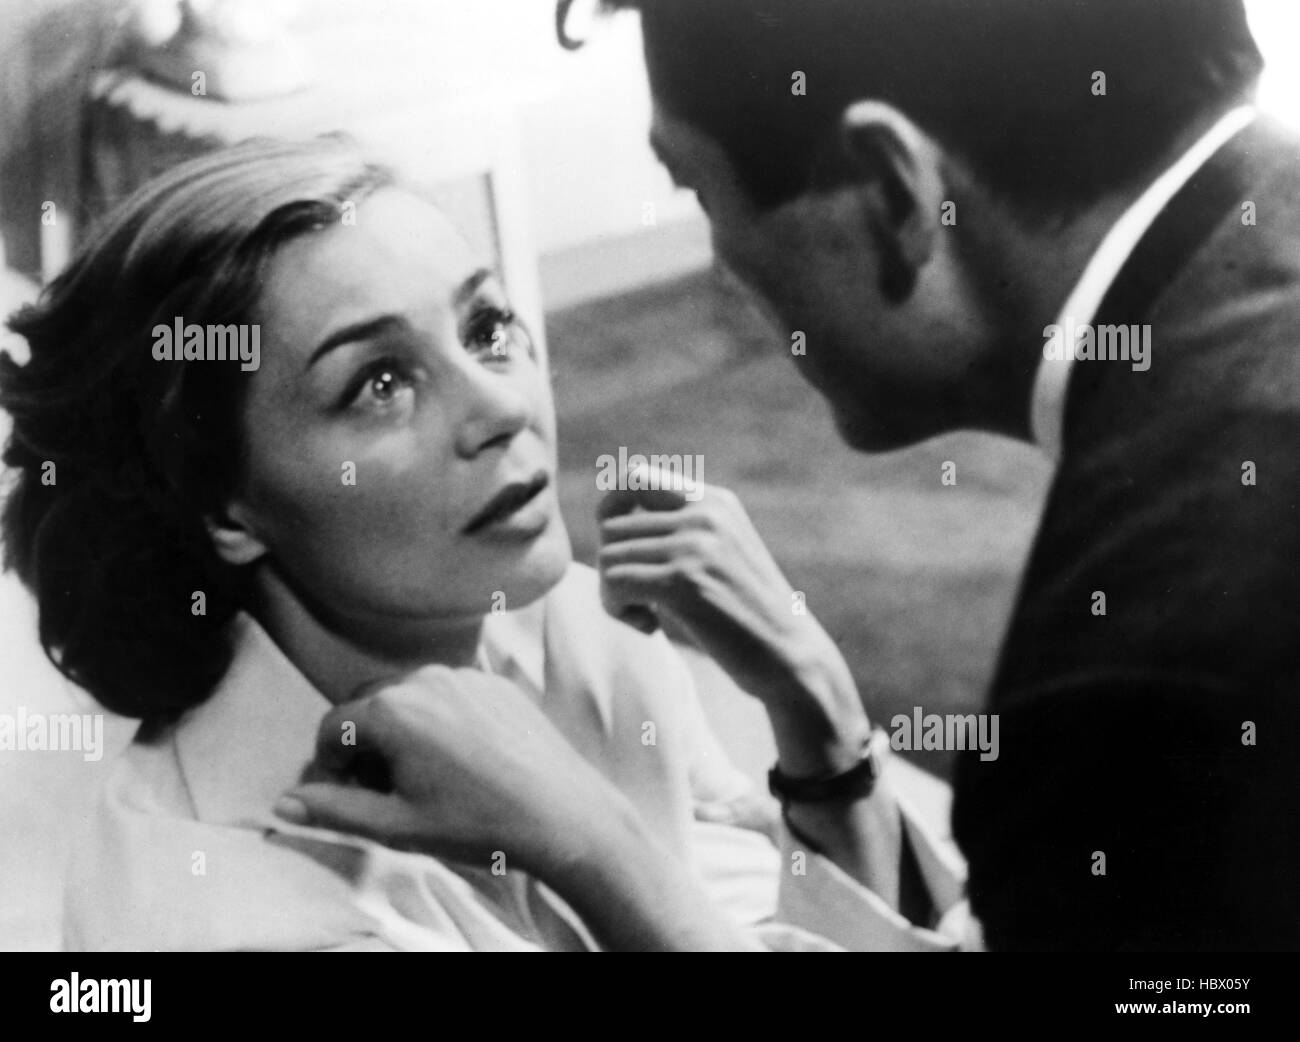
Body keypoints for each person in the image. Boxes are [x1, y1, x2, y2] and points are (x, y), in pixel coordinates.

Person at [1, 136, 963, 951]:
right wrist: (595, 848)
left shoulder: (565, 629)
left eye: (487, 326)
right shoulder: (230, 912)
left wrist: (821, 725)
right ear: (226, 510)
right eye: (379, 383)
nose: (502, 407)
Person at [584, 0, 1300, 950]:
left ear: (891, 191)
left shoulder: (1122, 707)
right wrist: (824, 729)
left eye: (698, 190)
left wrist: (598, 859)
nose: (724, 263)